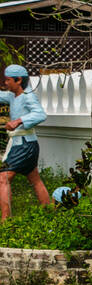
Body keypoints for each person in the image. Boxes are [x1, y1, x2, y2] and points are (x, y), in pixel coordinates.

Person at [0, 64, 50, 221]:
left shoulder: (28, 96)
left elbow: (41, 115)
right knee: (35, 179)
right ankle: (48, 212)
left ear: (18, 80)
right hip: (23, 144)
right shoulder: (12, 96)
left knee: (3, 178)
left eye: (8, 80)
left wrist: (18, 121)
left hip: (25, 145)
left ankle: (5, 220)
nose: (5, 83)